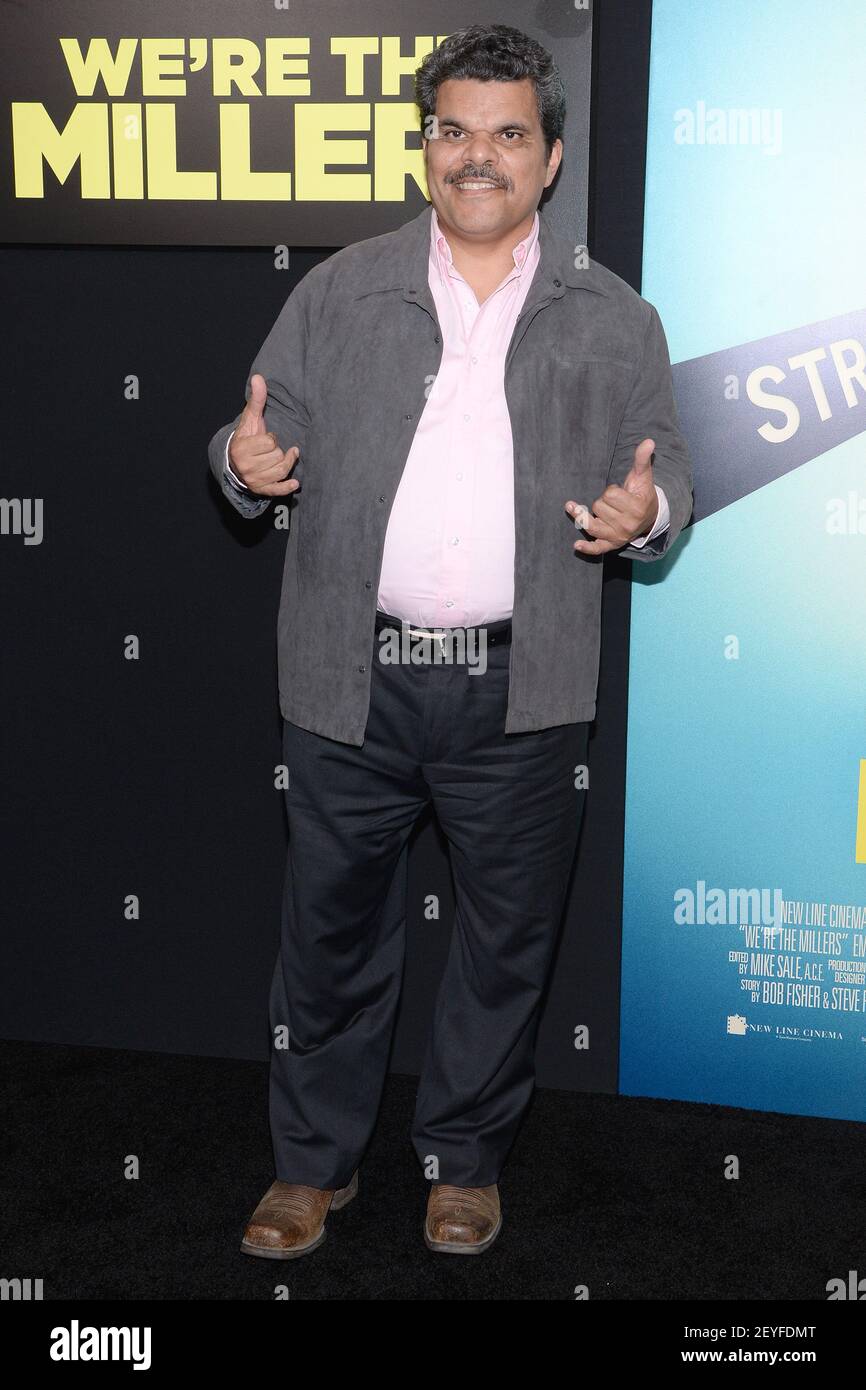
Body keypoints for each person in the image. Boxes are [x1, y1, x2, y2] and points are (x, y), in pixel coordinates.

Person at [208, 23, 692, 1259]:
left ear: (552, 155)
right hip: (346, 674)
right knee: (326, 943)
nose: (476, 155)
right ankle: (311, 1169)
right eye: (453, 129)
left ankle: (462, 1162)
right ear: (425, 145)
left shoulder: (614, 314)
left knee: (502, 947)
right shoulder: (337, 287)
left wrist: (647, 513)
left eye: (506, 133)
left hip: (520, 691)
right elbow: (254, 433)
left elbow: (663, 467)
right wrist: (242, 464)